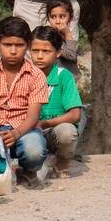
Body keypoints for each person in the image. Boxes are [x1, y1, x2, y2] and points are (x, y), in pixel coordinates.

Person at [0, 16, 50, 187]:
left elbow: (33, 117)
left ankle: (27, 172)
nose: (13, 51)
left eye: (19, 45)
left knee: (34, 150)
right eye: (7, 45)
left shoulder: (36, 76)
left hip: (25, 129)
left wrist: (16, 133)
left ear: (27, 45)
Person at [29, 27, 83, 177]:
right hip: (30, 131)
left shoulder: (63, 76)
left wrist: (46, 123)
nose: (40, 56)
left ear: (58, 53)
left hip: (53, 131)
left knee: (67, 132)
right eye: (35, 51)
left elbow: (75, 114)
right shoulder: (25, 75)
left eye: (46, 52)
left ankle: (63, 162)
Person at [45, 0, 80, 77]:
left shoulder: (69, 37)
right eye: (53, 17)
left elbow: (71, 55)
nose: (57, 21)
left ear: (70, 18)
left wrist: (67, 34)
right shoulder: (48, 36)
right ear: (48, 18)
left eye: (62, 17)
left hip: (67, 82)